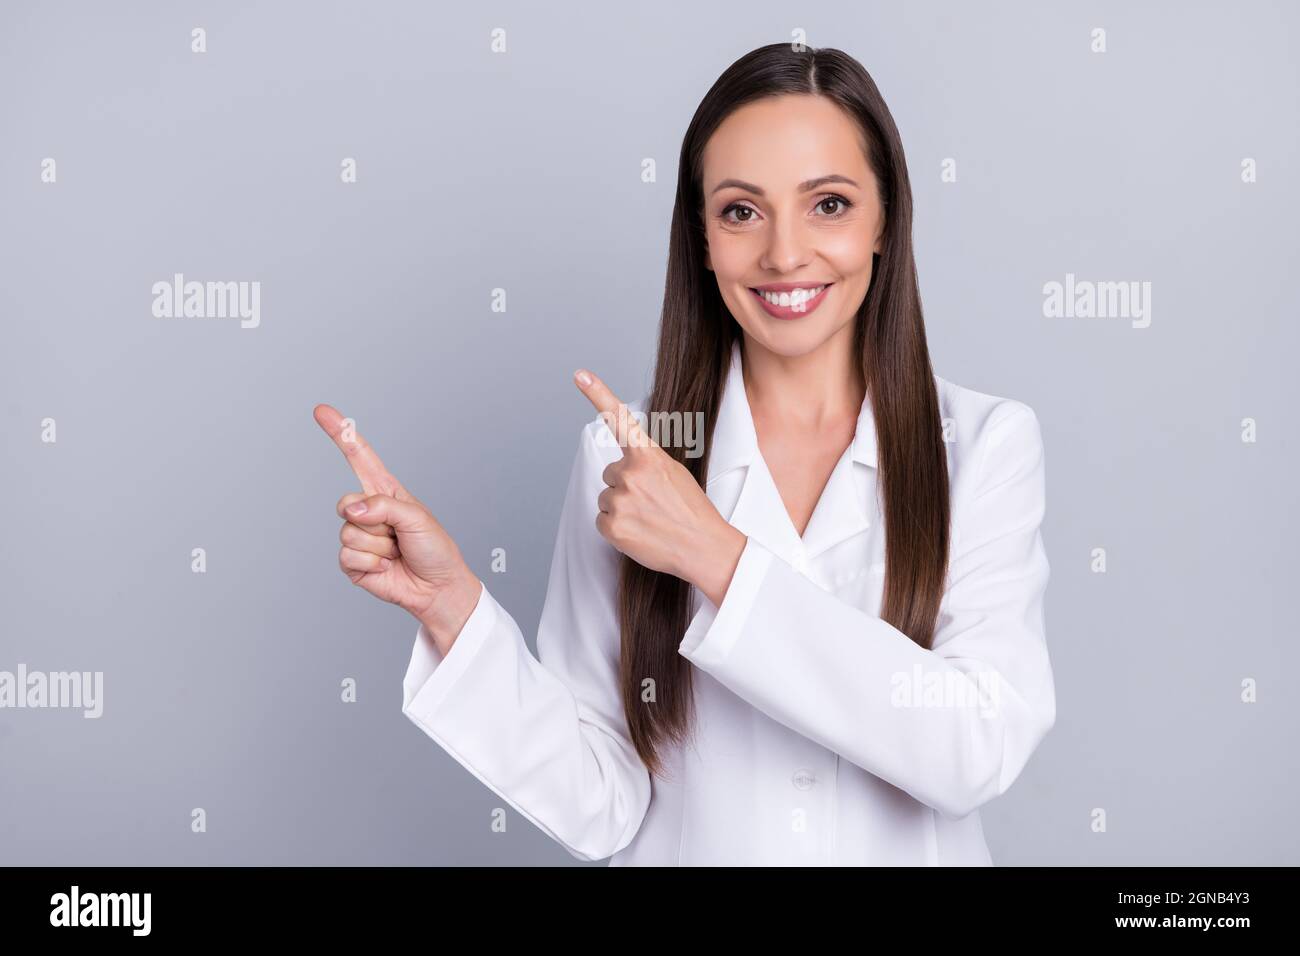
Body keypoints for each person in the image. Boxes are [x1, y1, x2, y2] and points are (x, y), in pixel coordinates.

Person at [313, 42, 1056, 865]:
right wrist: (452, 609)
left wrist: (718, 558)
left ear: (885, 220)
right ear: (702, 238)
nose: (783, 254)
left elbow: (976, 747)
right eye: (741, 210)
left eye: (830, 204)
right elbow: (603, 800)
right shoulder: (625, 455)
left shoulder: (983, 445)